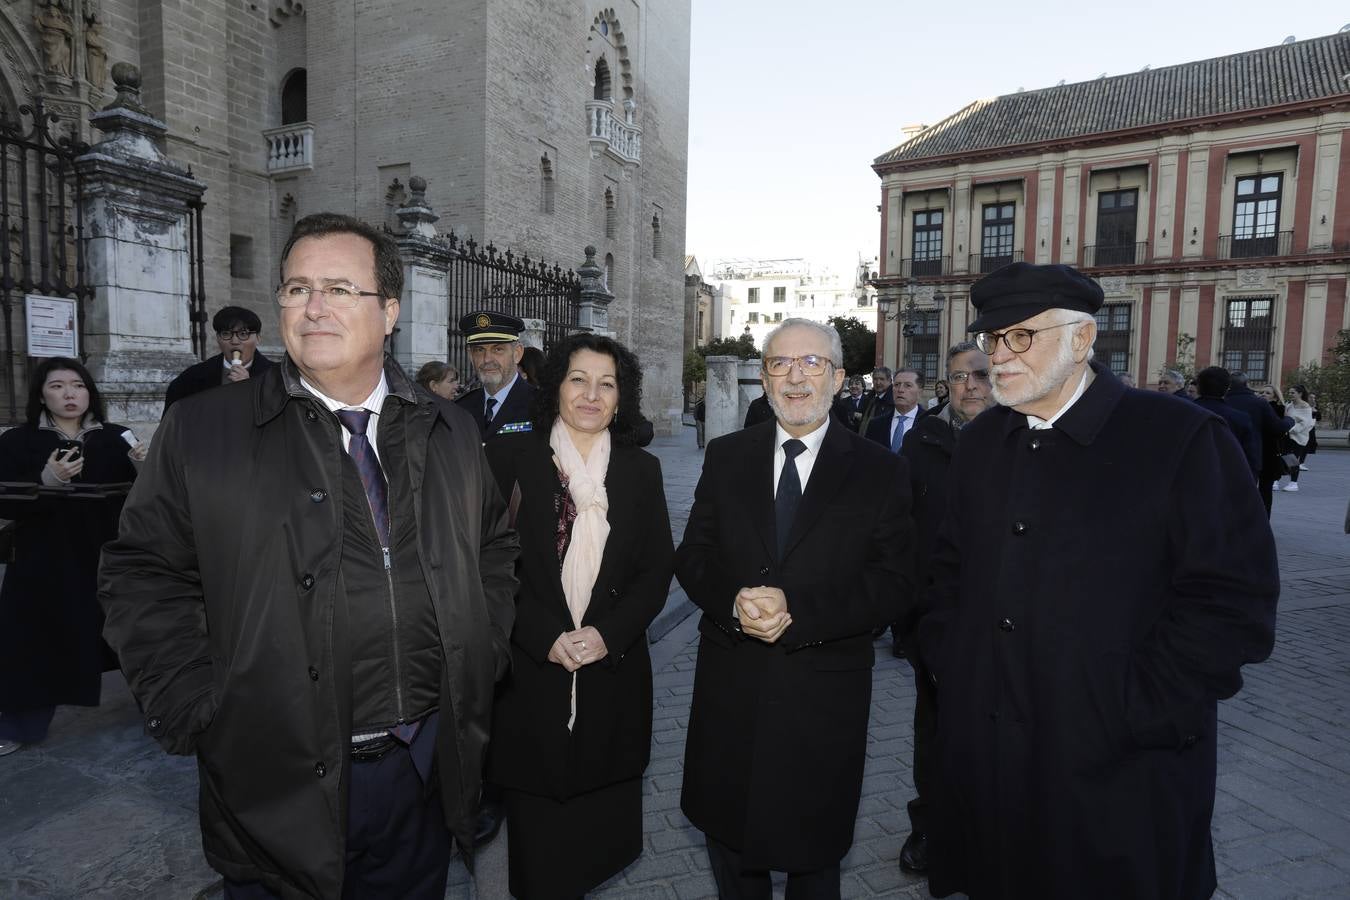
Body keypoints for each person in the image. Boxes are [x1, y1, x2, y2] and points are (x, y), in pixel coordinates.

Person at [99, 213, 520, 899]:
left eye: (336, 288)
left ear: (389, 312)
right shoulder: (205, 431)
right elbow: (142, 573)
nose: (313, 306)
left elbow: (494, 548)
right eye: (296, 288)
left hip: (422, 772)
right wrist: (196, 707)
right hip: (276, 786)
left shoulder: (447, 427)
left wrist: (484, 648)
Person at [919, 262, 1278, 900]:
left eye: (1020, 338)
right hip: (993, 758)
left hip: (1122, 769)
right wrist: (954, 661)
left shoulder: (1180, 438)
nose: (998, 356)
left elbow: (1232, 603)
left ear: (1082, 341)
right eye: (992, 339)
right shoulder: (979, 445)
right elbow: (948, 572)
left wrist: (1139, 707)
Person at [677, 318, 913, 900]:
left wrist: (798, 612)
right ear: (764, 377)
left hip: (823, 699)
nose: (796, 376)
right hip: (730, 692)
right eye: (781, 363)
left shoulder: (879, 469)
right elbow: (694, 556)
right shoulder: (727, 456)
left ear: (837, 376)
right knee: (730, 850)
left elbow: (895, 583)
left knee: (814, 857)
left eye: (813, 363)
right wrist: (733, 602)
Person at [484, 332, 674, 900]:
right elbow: (485, 566)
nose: (591, 394)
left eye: (607, 384)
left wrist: (607, 635)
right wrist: (543, 636)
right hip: (530, 677)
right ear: (556, 386)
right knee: (537, 855)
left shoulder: (642, 471)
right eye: (578, 379)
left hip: (611, 677)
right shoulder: (509, 460)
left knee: (597, 841)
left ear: (622, 397)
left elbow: (656, 570)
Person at [0, 358, 145, 756]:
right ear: (41, 395)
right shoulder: (18, 441)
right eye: (57, 386)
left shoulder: (118, 437)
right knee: (32, 641)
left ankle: (161, 710)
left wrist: (143, 470)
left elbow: (150, 499)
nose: (69, 394)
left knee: (136, 636)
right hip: (45, 562)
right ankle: (18, 725)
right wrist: (46, 483)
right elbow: (5, 503)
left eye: (77, 385)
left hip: (109, 556)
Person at [894, 340, 993, 877]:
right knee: (933, 734)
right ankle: (928, 828)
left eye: (978, 375)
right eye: (957, 378)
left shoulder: (1024, 440)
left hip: (1006, 625)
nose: (969, 386)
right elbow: (901, 534)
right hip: (936, 621)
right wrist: (909, 617)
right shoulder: (922, 443)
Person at [164, 306, 277, 409]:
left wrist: (251, 389)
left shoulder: (277, 377)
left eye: (243, 334)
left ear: (258, 338)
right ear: (218, 338)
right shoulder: (192, 378)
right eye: (226, 334)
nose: (235, 341)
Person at [456, 311, 537, 440]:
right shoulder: (460, 408)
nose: (487, 359)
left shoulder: (541, 406)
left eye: (497, 349)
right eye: (479, 350)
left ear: (517, 353)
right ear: (471, 356)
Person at [1227, 372, 1293, 517]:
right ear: (1247, 384)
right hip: (1254, 454)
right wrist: (1290, 420)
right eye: (1262, 392)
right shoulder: (1258, 404)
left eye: (1267, 392)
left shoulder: (1223, 400)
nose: (1263, 394)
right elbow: (1279, 428)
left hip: (1255, 454)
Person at [1193, 366, 1260, 481]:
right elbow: (1248, 458)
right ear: (1227, 388)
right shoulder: (1240, 418)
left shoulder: (1184, 412)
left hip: (1189, 479)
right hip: (1226, 479)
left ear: (1198, 387)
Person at [865, 367, 922, 453]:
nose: (900, 390)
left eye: (908, 385)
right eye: (897, 385)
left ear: (920, 392)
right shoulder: (875, 424)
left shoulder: (930, 425)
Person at [1277, 385, 1315, 493]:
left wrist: (1291, 429)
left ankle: (1293, 483)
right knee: (1283, 457)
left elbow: (1305, 424)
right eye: (1289, 392)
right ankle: (1276, 480)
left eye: (1293, 393)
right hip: (1286, 436)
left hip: (1298, 438)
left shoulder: (1306, 407)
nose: (1290, 394)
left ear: (1300, 394)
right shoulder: (1289, 405)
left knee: (1292, 459)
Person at [858, 366, 893, 436]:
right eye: (875, 379)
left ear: (890, 381)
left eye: (882, 379)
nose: (878, 382)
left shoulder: (893, 402)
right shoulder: (869, 398)